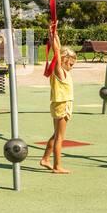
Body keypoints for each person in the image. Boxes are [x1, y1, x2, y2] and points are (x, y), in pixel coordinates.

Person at [39, 28, 76, 174]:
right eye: (71, 64)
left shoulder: (60, 70)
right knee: (60, 137)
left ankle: (45, 159)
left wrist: (54, 34)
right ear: (64, 61)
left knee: (56, 134)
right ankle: (57, 166)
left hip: (58, 104)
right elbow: (57, 51)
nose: (72, 67)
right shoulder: (59, 71)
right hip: (62, 105)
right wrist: (53, 38)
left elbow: (58, 49)